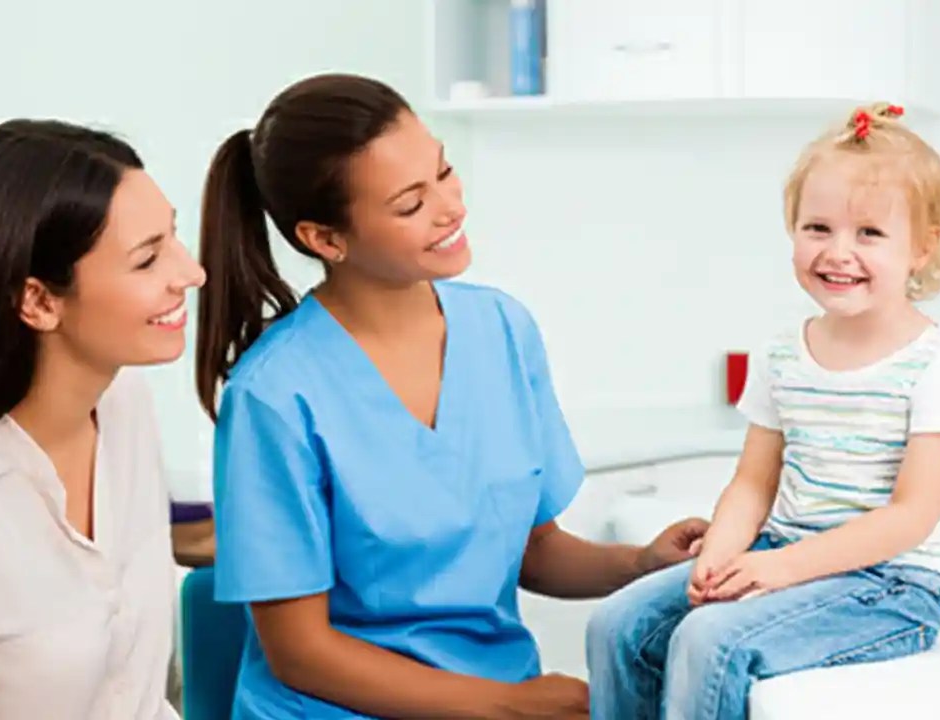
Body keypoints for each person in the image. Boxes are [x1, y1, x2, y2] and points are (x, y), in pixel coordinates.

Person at [195, 72, 708, 720]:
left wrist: (639, 562)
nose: (450, 207)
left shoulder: (500, 329)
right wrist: (507, 706)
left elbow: (533, 549)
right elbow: (302, 652)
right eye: (411, 204)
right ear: (325, 239)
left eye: (444, 171)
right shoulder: (275, 394)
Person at [586, 103, 940, 719]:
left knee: (710, 640)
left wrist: (779, 568)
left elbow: (910, 518)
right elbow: (754, 481)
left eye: (870, 234)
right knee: (616, 623)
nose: (838, 252)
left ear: (923, 248)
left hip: (890, 586)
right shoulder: (781, 354)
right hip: (785, 550)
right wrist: (724, 550)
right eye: (817, 228)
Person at [0, 120, 206, 718]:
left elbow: (141, 696)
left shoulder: (126, 406)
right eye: (148, 259)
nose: (190, 273)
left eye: (172, 238)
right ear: (39, 301)